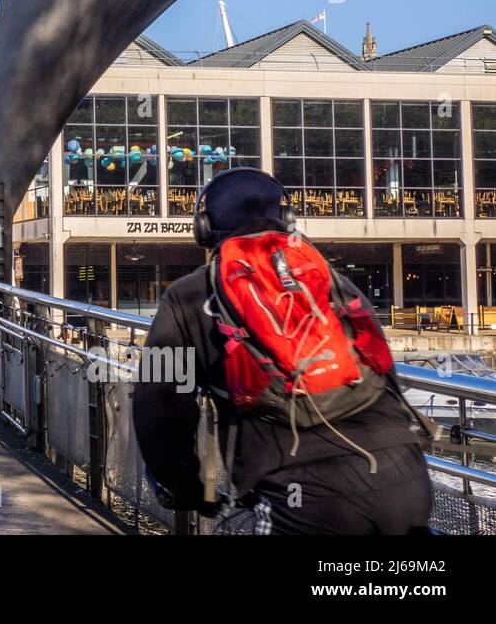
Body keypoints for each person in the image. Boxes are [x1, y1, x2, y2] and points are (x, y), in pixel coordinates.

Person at [133, 167, 432, 535]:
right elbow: (380, 363)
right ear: (288, 220)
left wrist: (186, 487)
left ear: (205, 229)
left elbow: (159, 406)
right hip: (404, 472)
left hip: (298, 492)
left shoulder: (189, 295)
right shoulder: (329, 278)